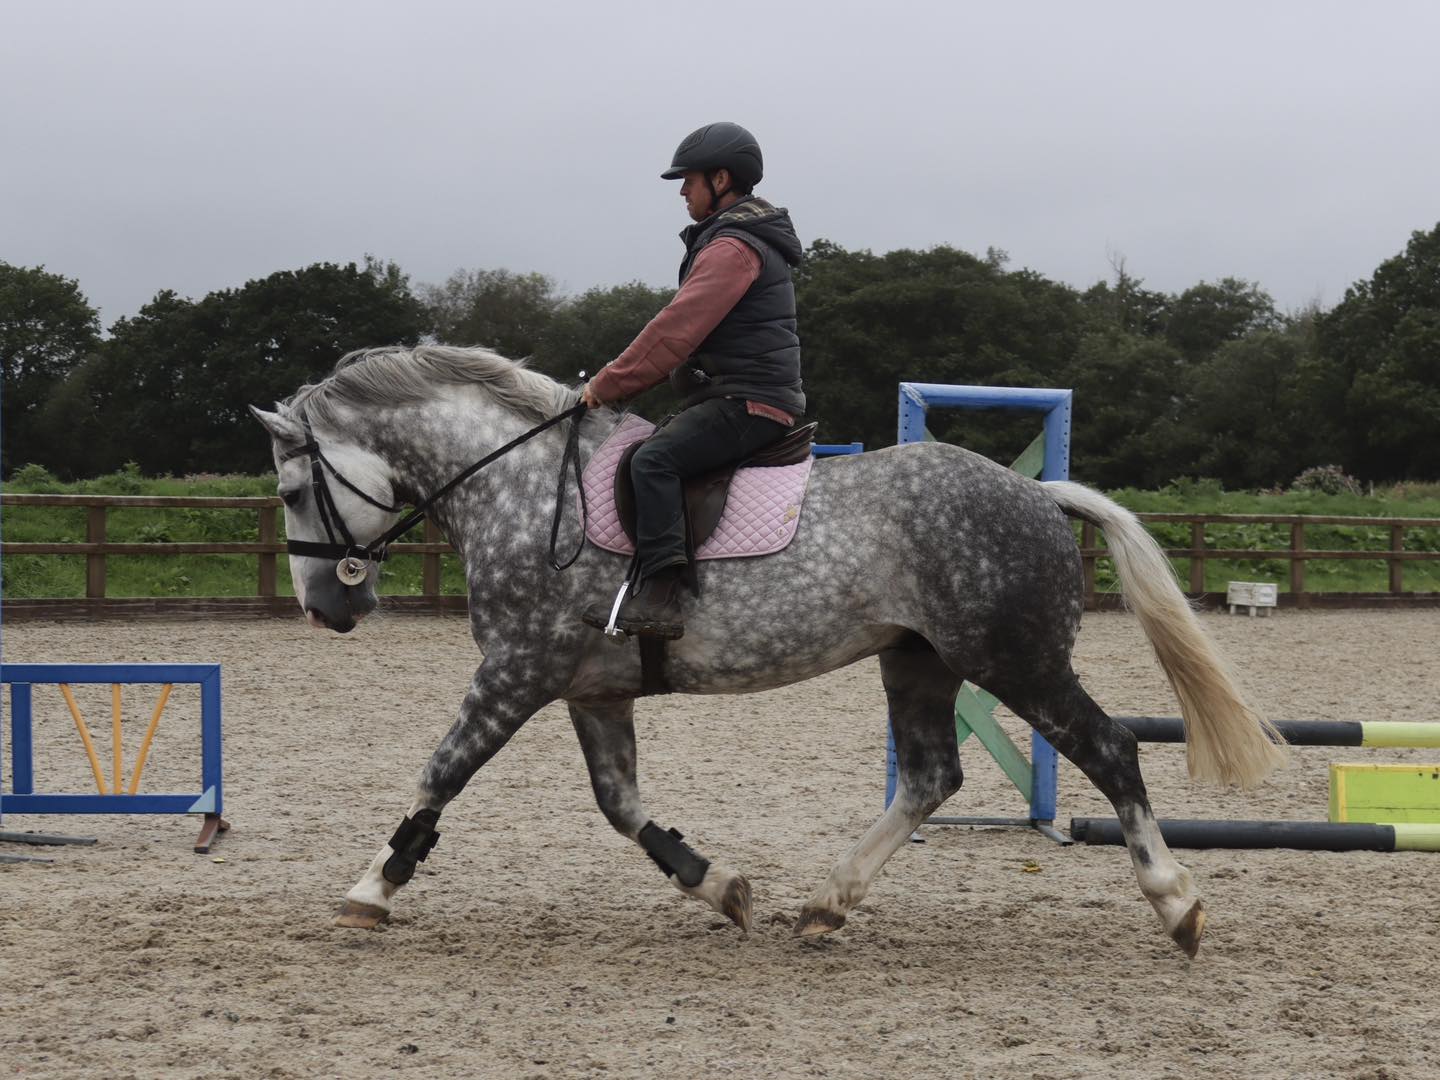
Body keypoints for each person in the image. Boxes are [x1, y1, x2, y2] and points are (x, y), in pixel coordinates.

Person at [579, 122, 805, 639]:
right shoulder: (735, 240)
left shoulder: (733, 247)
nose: (682, 190)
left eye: (689, 179)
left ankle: (665, 595)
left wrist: (606, 386)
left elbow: (675, 330)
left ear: (721, 179)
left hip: (750, 400)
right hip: (738, 393)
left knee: (654, 459)